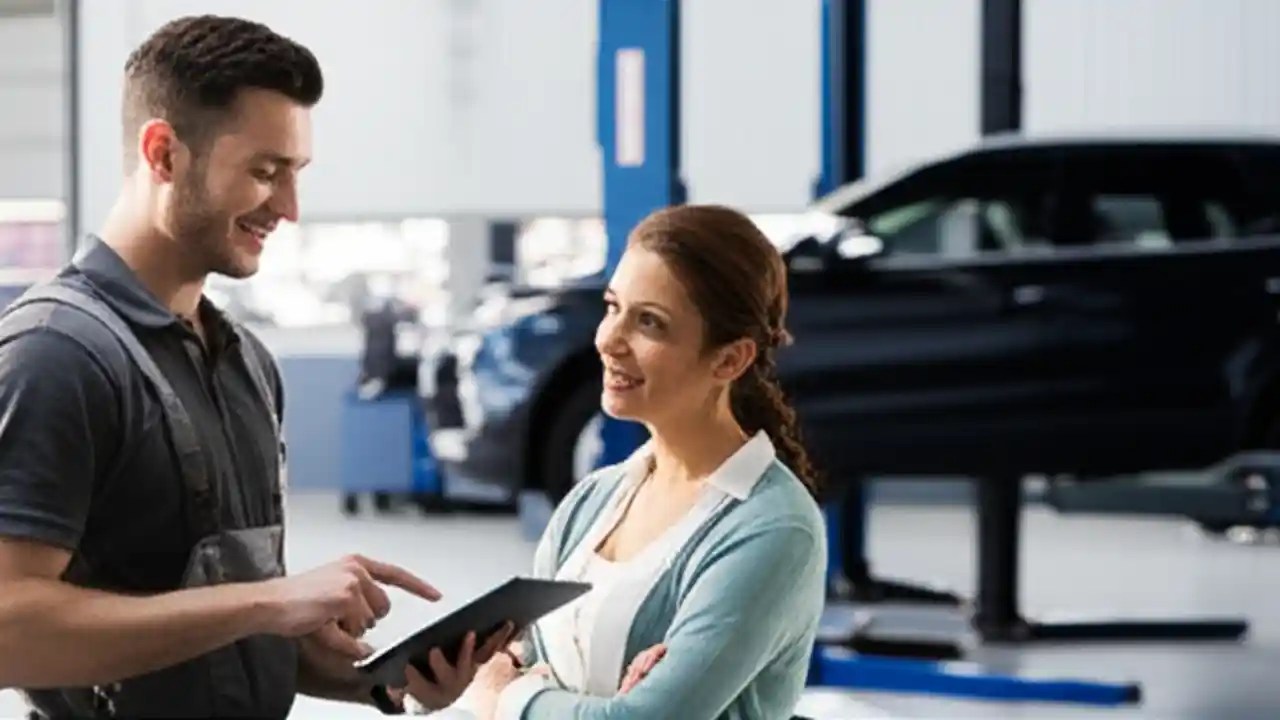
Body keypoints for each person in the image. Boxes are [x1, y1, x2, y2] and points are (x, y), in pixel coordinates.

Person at [0, 15, 508, 719]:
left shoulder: (246, 365)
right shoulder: (56, 355)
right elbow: (9, 630)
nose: (290, 209)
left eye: (295, 175)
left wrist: (375, 679)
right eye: (265, 173)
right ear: (163, 154)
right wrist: (271, 601)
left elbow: (215, 631)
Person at [460, 204, 829, 719]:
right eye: (613, 306)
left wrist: (507, 700)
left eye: (649, 323)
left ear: (729, 359)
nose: (608, 339)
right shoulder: (593, 501)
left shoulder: (773, 528)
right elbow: (532, 661)